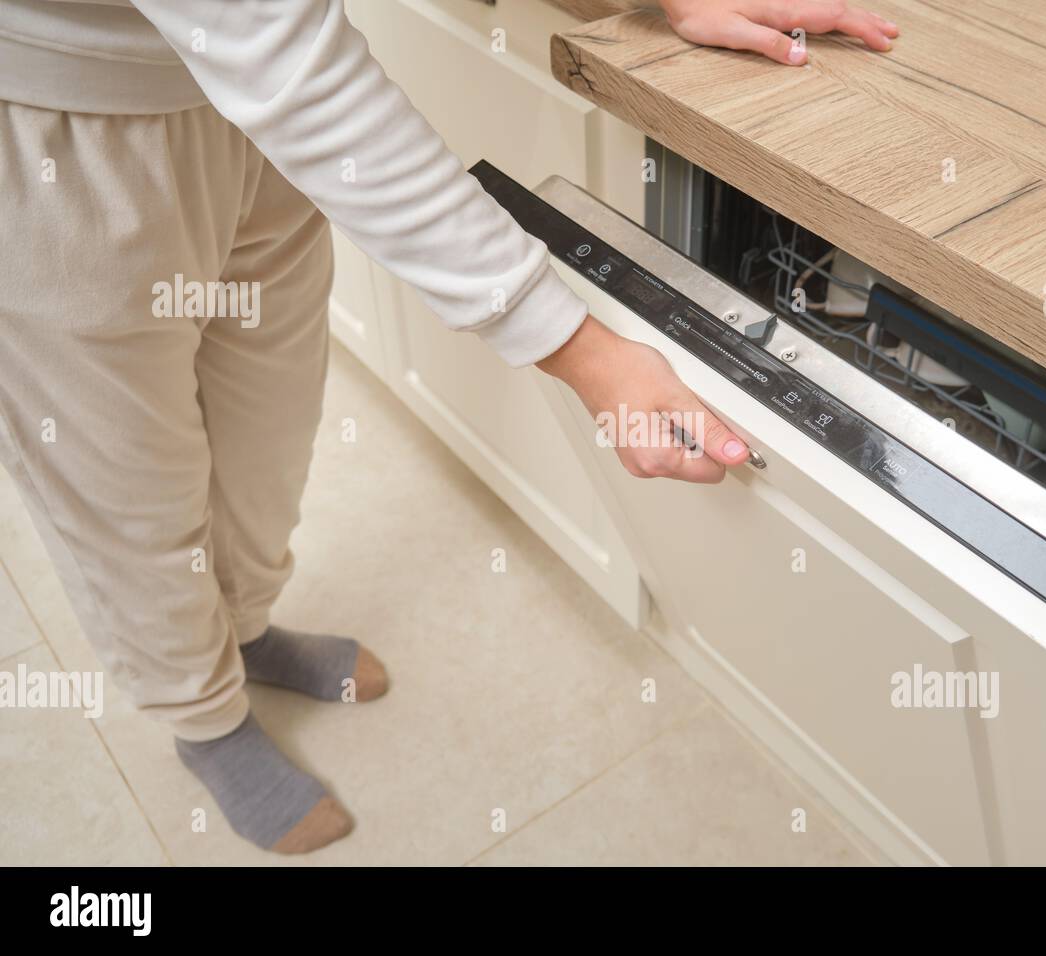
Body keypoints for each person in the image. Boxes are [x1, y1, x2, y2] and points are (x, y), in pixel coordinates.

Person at [0, 0, 899, 853]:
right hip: (68, 132)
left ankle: (243, 629)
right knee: (128, 494)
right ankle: (204, 719)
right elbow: (293, 68)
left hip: (256, 125)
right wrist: (581, 351)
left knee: (265, 442)